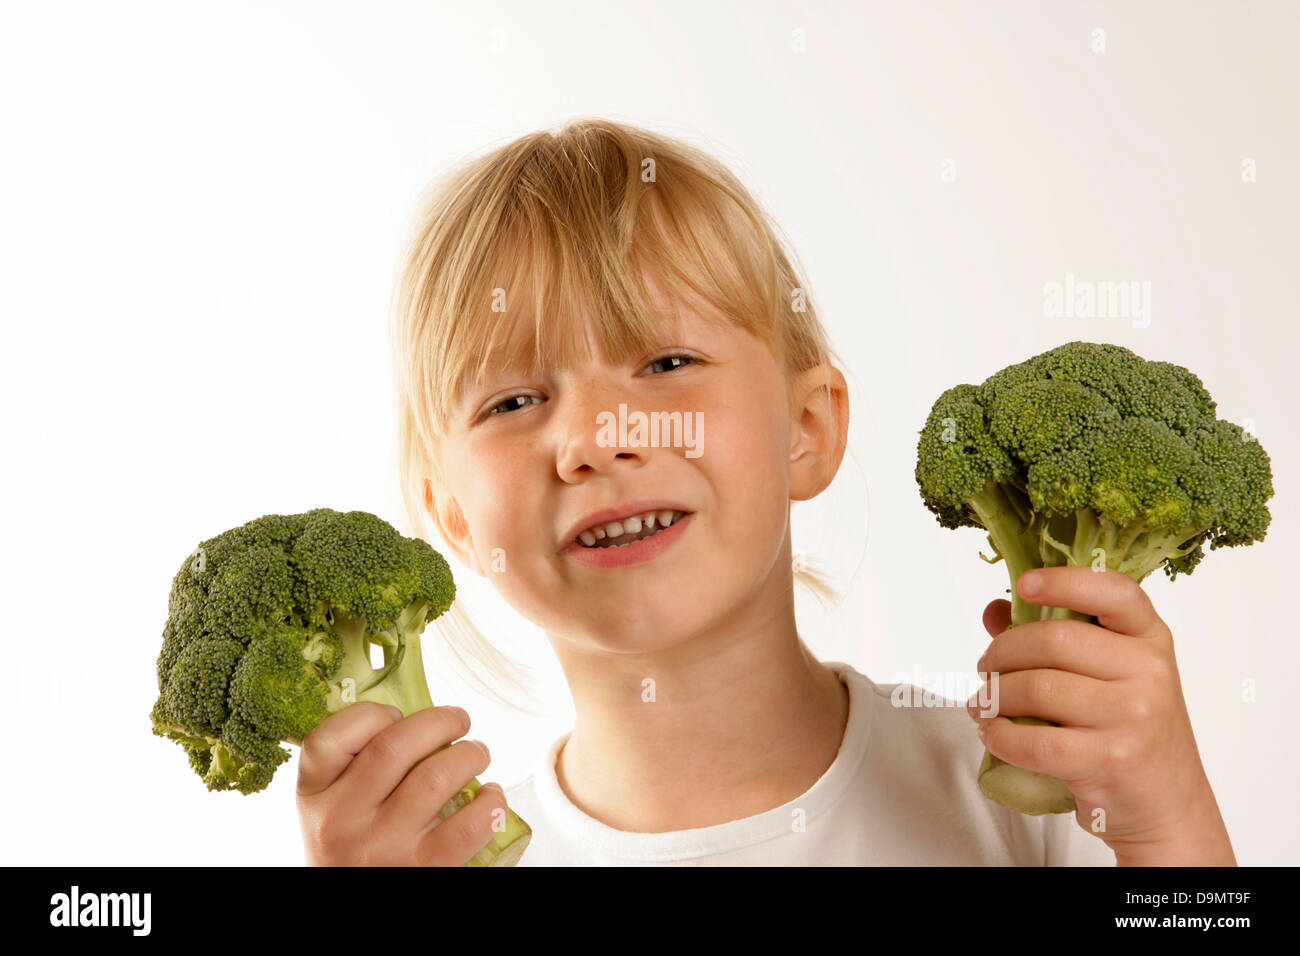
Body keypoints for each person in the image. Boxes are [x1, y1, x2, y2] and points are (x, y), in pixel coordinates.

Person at [294, 117, 1120, 866]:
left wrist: (1165, 819)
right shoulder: (451, 861)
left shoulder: (1033, 794)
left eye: (664, 364)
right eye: (513, 403)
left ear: (806, 426)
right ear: (456, 521)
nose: (595, 439)